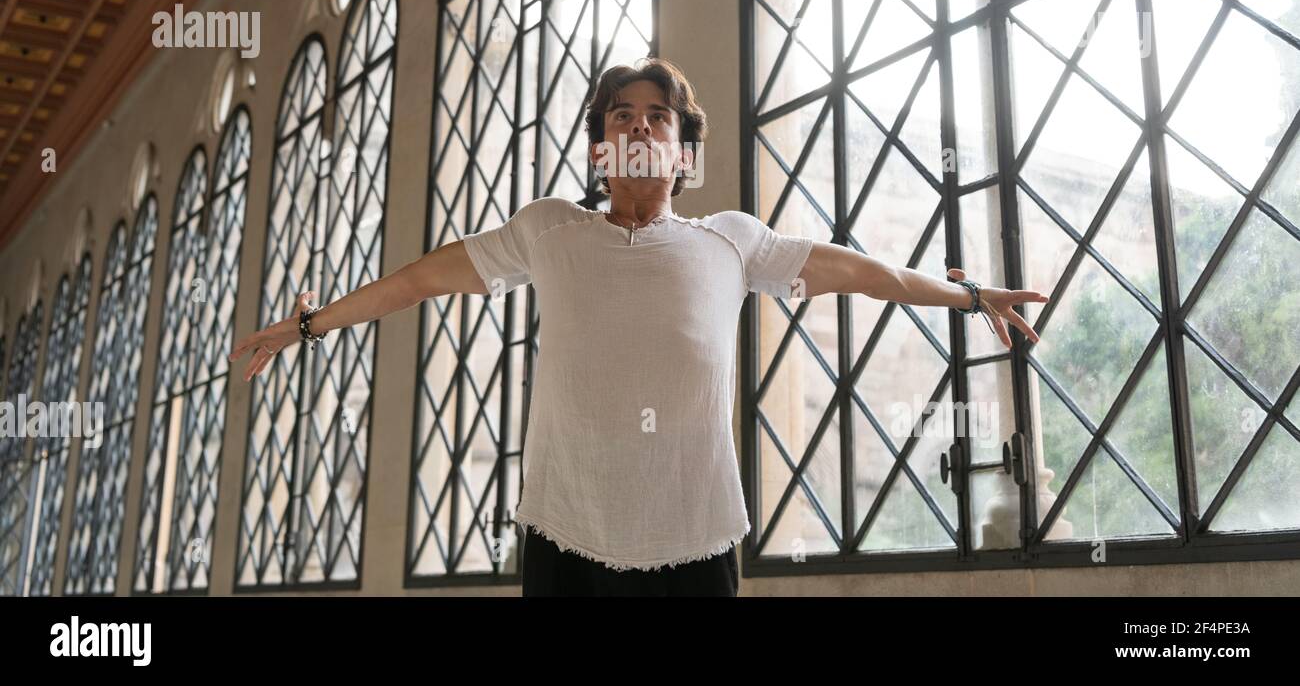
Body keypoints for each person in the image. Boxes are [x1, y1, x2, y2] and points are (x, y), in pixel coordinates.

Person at [229, 58, 1048, 596]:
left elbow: (861, 272)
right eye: (621, 116)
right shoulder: (550, 229)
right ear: (599, 150)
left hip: (693, 540)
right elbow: (419, 280)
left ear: (684, 154)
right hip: (564, 535)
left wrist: (970, 298)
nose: (640, 126)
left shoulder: (730, 239)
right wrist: (308, 325)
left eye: (660, 117)